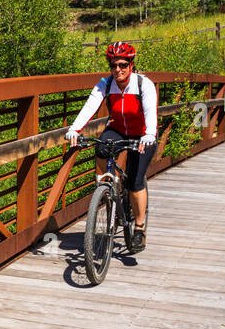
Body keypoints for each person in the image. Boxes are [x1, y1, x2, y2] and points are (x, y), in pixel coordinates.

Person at [65, 42, 157, 250]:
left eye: (123, 64)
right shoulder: (106, 84)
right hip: (117, 129)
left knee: (134, 180)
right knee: (101, 147)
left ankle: (140, 229)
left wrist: (149, 134)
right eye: (113, 65)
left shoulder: (144, 84)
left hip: (142, 135)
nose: (118, 70)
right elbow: (90, 106)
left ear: (131, 64)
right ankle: (106, 187)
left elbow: (151, 112)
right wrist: (75, 129)